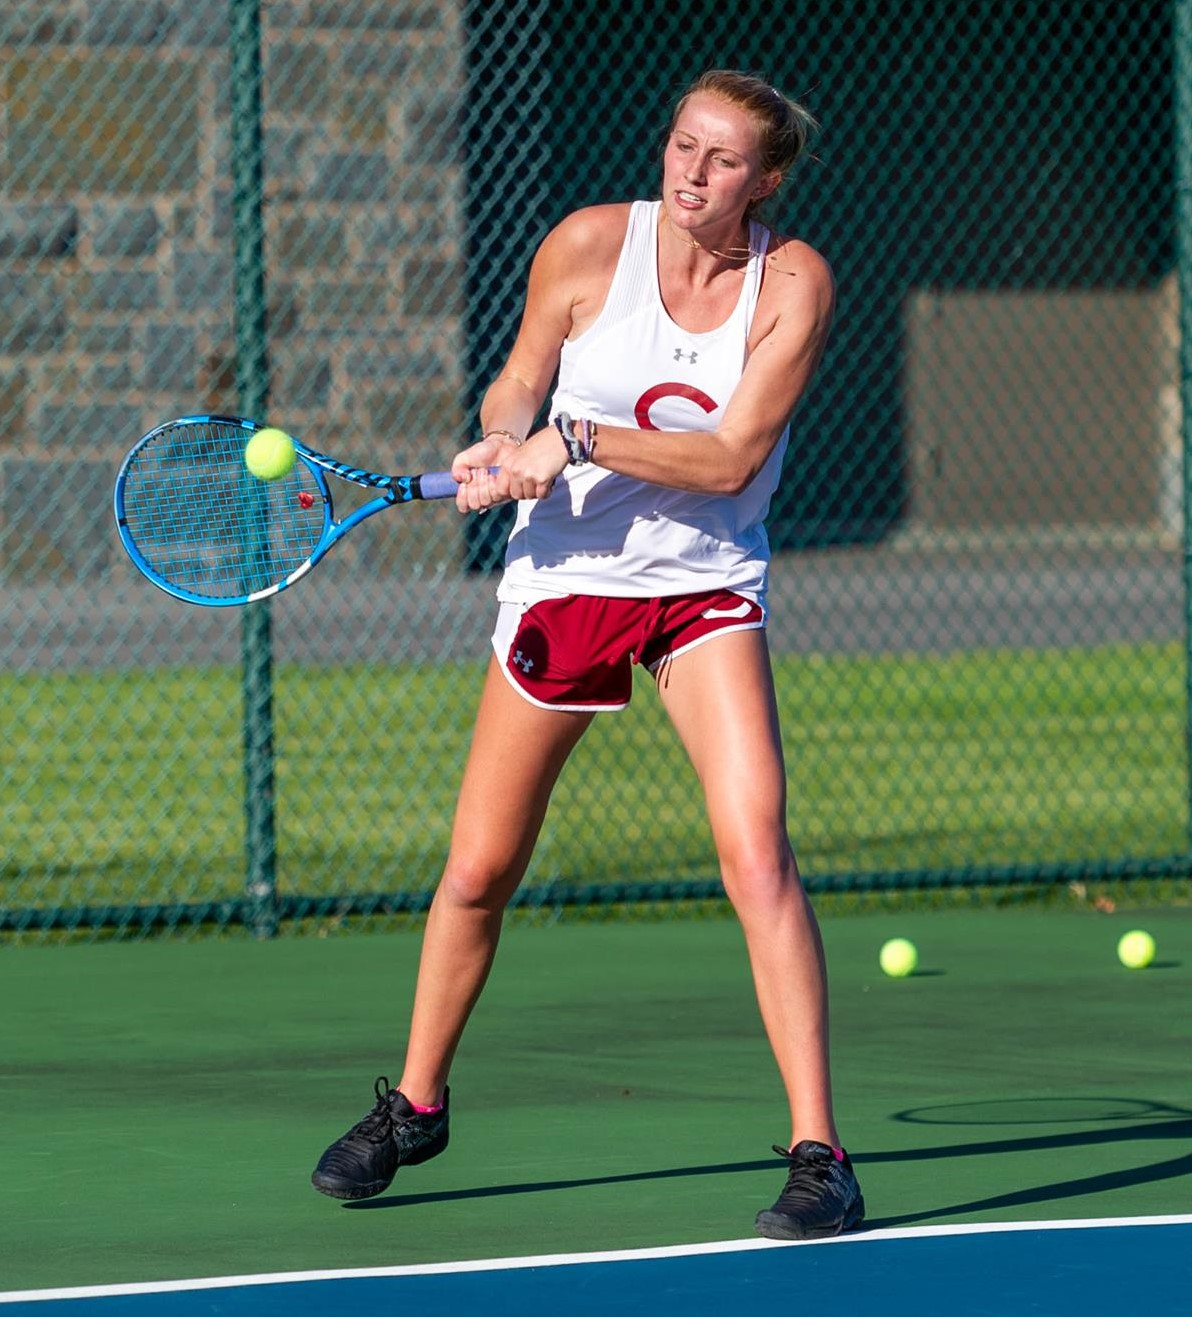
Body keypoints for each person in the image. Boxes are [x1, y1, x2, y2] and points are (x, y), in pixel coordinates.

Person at [309, 69, 859, 1241]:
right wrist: (500, 437)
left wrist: (575, 437)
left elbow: (727, 459)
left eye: (721, 159)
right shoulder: (586, 246)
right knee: (477, 870)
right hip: (566, 585)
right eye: (680, 145)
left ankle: (821, 1155)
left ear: (764, 181)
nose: (691, 172)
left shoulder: (791, 284)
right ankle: (415, 1106)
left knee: (755, 850)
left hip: (703, 587)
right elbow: (520, 375)